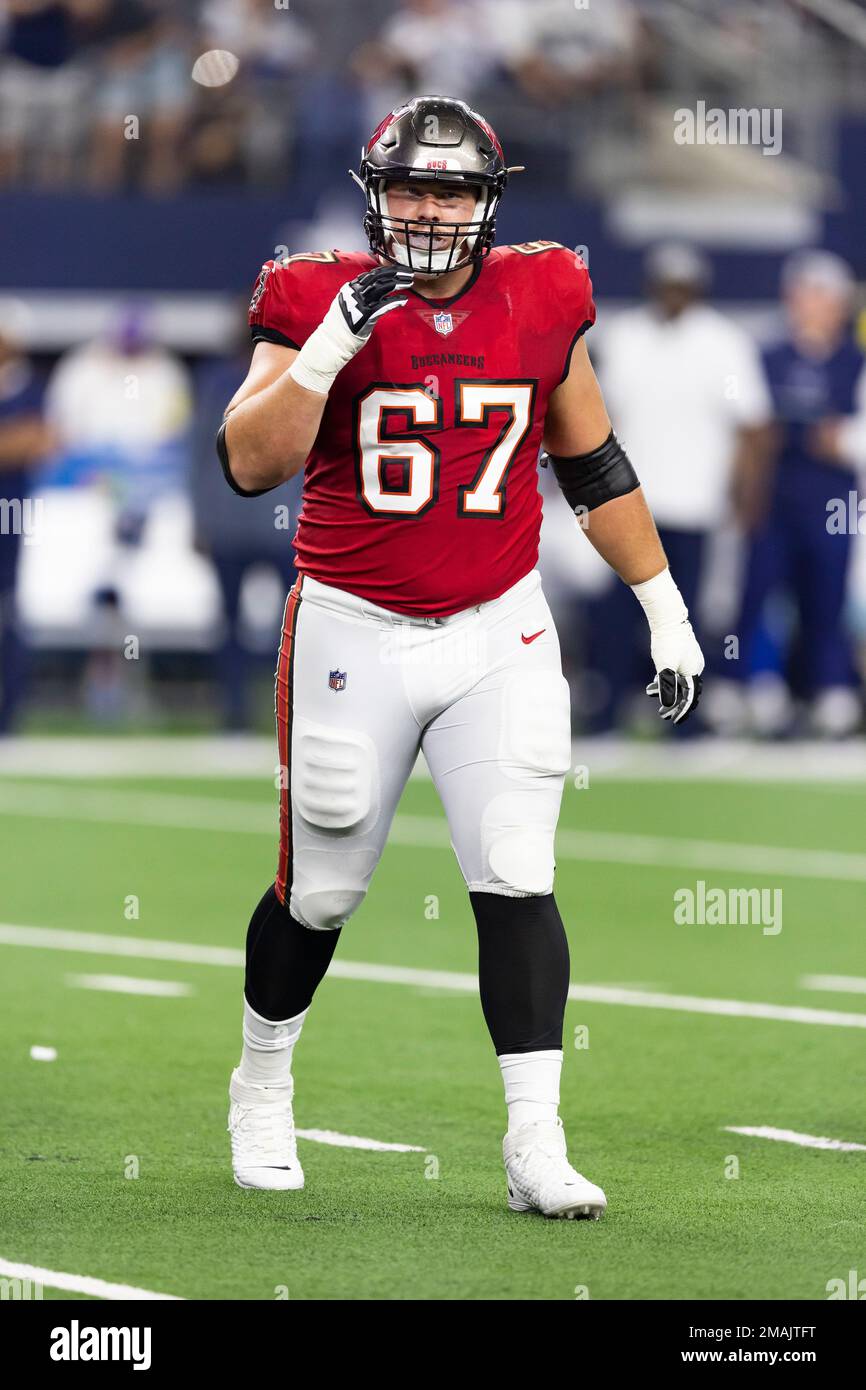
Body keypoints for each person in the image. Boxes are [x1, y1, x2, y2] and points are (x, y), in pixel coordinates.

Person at [219, 95, 704, 1220]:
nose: (428, 210)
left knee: (515, 868)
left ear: (486, 202)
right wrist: (328, 350)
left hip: (499, 625)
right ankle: (261, 1082)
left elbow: (590, 461)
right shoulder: (308, 295)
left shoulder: (541, 293)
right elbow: (248, 464)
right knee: (324, 886)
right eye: (410, 187)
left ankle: (534, 1138)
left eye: (450, 190)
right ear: (374, 192)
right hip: (351, 619)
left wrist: (663, 605)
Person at [588, 242, 772, 731]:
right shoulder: (625, 337)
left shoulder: (723, 342)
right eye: (666, 286)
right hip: (626, 505)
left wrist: (746, 501)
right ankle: (609, 710)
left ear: (697, 289)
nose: (674, 295)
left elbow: (753, 428)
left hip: (696, 505)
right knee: (616, 615)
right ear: (653, 286)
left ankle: (685, 721)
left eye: (682, 287)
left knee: (684, 617)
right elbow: (596, 421)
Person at [0, 323, 52, 732]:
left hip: (11, 515)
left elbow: (40, 441)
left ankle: (10, 711)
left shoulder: (31, 388)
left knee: (9, 611)